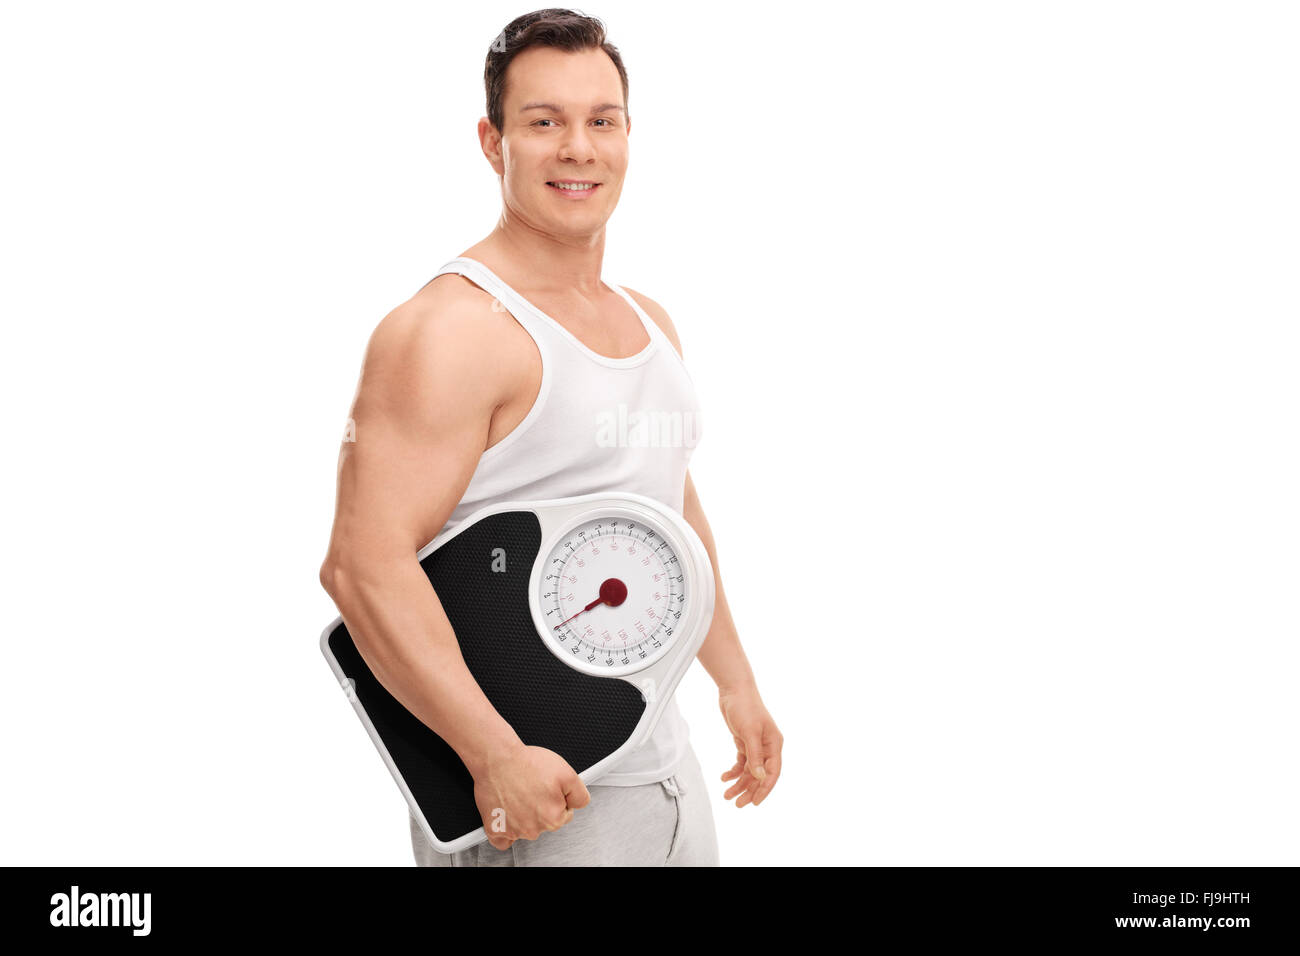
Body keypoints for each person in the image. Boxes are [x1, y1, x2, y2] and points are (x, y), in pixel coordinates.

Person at [319, 8, 782, 867]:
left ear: (628, 136)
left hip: (662, 770)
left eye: (600, 120)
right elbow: (361, 564)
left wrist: (737, 681)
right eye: (544, 123)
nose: (578, 148)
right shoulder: (449, 330)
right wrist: (493, 755)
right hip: (540, 793)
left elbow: (669, 513)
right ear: (493, 143)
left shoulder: (650, 320)